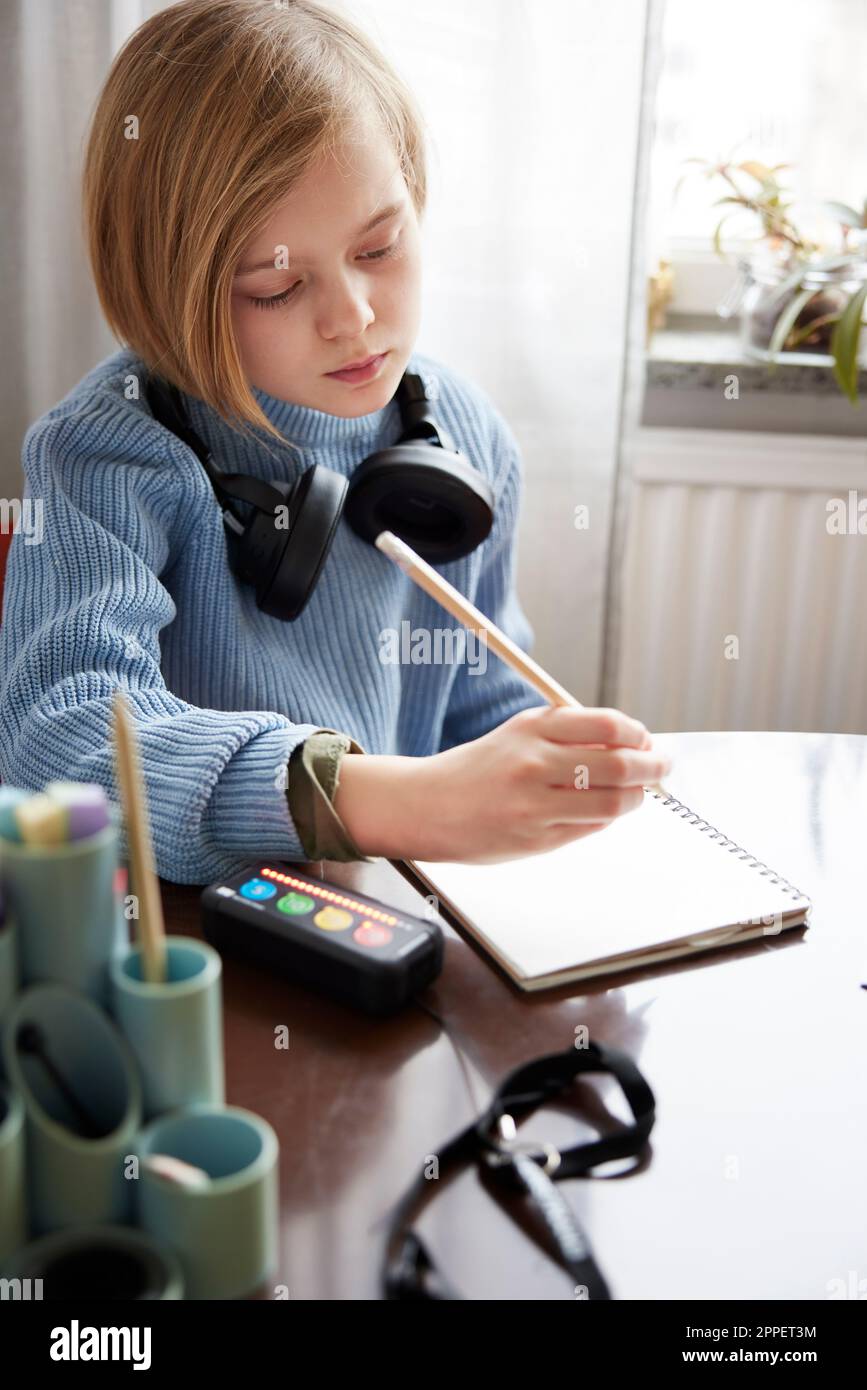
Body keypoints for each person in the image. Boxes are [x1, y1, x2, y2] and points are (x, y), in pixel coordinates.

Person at [0, 0, 670, 884]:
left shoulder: (461, 434)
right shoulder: (104, 458)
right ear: (173, 292)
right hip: (214, 947)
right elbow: (62, 739)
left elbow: (474, 701)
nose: (353, 318)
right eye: (276, 286)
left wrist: (559, 778)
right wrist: (372, 800)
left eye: (380, 247)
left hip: (395, 918)